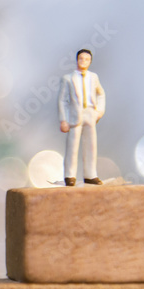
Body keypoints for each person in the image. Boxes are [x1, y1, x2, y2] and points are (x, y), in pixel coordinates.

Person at [58, 48, 106, 186]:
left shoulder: (94, 77)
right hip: (74, 115)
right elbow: (62, 100)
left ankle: (90, 175)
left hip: (90, 114)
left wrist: (99, 111)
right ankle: (70, 175)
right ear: (77, 60)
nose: (84, 61)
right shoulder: (68, 79)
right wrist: (63, 119)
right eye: (81, 59)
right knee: (72, 146)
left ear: (90, 61)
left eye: (87, 59)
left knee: (91, 146)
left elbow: (101, 93)